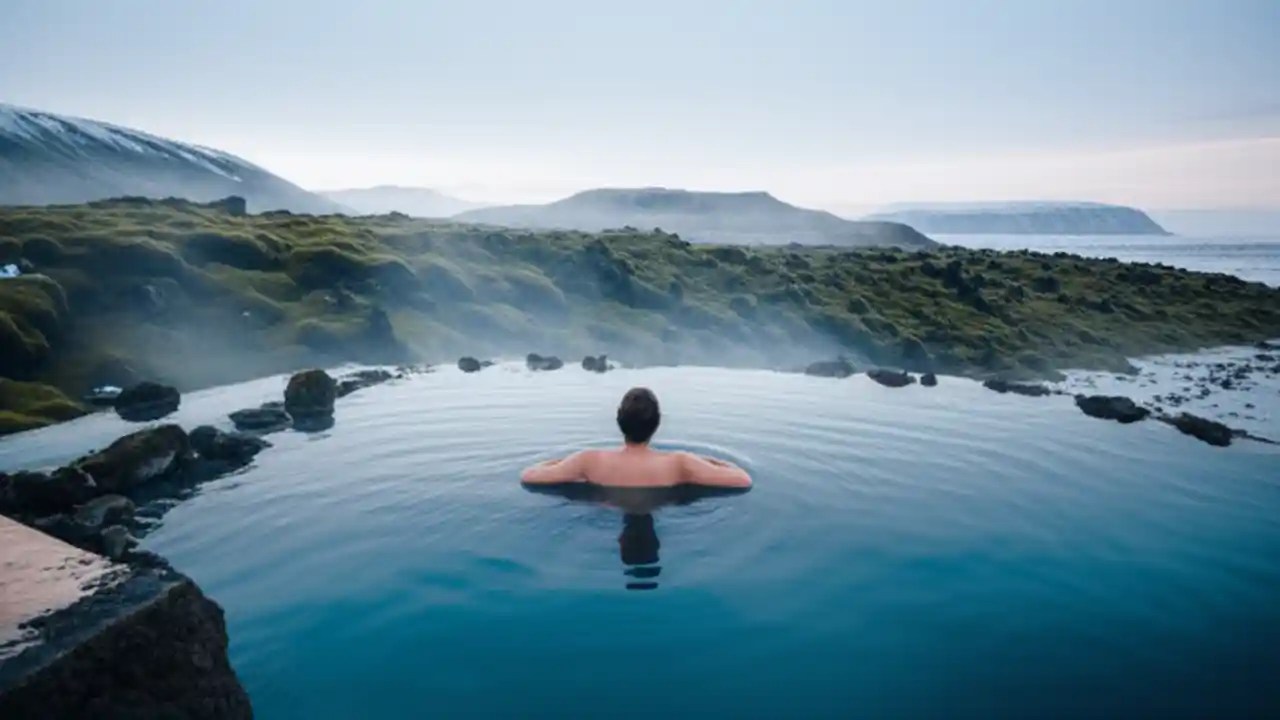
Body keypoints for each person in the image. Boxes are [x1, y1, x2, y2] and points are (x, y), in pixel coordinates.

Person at [519, 387, 752, 488]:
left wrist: (560, 462)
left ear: (619, 421)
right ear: (657, 423)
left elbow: (529, 476)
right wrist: (709, 461)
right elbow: (743, 480)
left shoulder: (588, 461)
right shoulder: (681, 463)